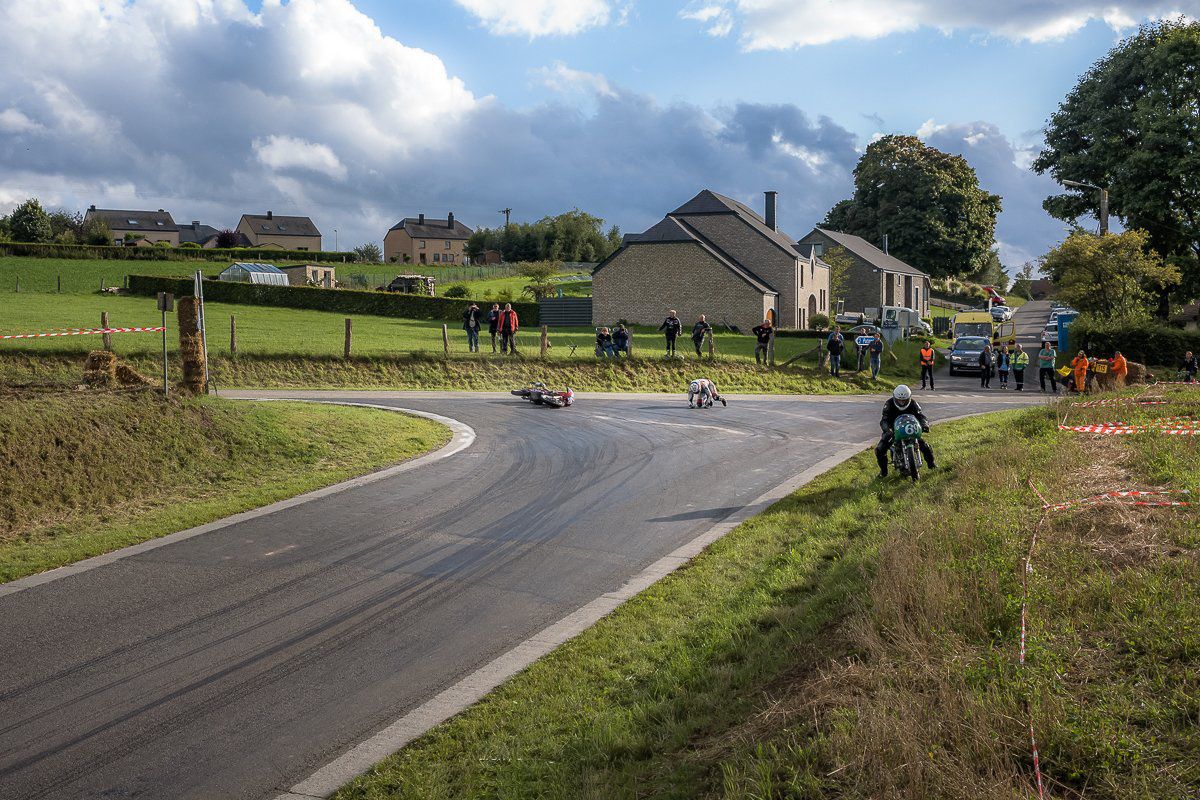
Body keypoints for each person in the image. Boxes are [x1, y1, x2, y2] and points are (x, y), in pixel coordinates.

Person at [875, 385, 936, 478]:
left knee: (925, 446)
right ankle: (883, 472)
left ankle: (932, 465)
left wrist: (924, 425)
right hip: (893, 431)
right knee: (880, 449)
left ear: (909, 398)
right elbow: (884, 419)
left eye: (904, 400)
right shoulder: (889, 403)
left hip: (910, 430)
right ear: (895, 398)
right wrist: (887, 429)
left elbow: (920, 416)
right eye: (899, 400)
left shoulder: (914, 403)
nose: (902, 402)